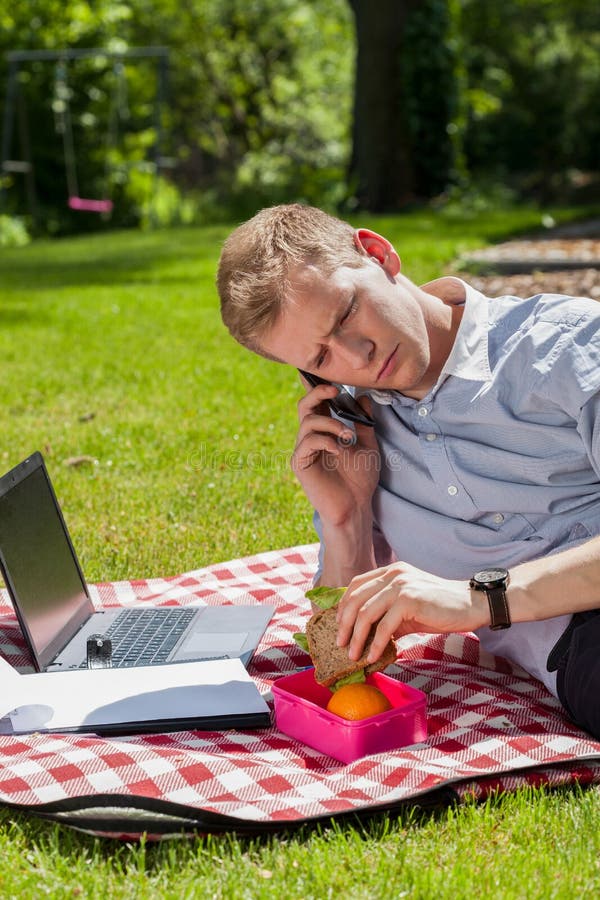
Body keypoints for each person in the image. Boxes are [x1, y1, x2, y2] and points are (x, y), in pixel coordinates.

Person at [217, 203, 600, 739]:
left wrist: (479, 598)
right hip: (577, 656)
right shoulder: (359, 438)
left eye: (347, 312)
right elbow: (348, 662)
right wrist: (346, 517)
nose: (357, 356)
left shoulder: (569, 348)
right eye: (322, 358)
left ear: (378, 254)